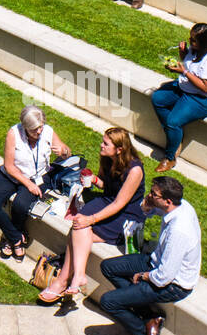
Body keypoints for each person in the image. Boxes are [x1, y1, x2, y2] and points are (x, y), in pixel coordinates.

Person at [37, 128, 146, 302]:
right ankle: (77, 276)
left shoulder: (134, 170)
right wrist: (94, 180)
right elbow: (107, 186)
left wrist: (92, 219)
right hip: (107, 201)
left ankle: (62, 281)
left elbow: (120, 203)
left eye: (105, 143)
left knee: (80, 228)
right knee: (79, 225)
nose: (101, 145)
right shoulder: (107, 158)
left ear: (119, 149)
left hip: (126, 214)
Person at [98, 176, 202, 335]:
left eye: (154, 194)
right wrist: (147, 207)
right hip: (155, 261)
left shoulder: (179, 230)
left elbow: (164, 277)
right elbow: (149, 210)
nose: (149, 195)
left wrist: (143, 276)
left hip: (174, 285)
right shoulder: (179, 205)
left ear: (167, 201)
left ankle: (144, 334)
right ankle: (149, 318)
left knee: (108, 301)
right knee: (107, 267)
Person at [0, 106, 71, 260]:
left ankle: (11, 241)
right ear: (25, 127)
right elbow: (9, 166)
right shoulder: (13, 134)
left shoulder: (48, 131)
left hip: (38, 176)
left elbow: (66, 152)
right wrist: (28, 184)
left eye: (40, 127)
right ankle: (16, 239)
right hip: (13, 175)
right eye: (34, 129)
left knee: (20, 205)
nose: (39, 132)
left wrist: (64, 151)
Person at [150, 23, 207, 171]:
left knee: (173, 121)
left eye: (194, 40)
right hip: (189, 89)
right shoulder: (197, 49)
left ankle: (170, 157)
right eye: (190, 38)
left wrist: (184, 72)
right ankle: (174, 136)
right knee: (158, 98)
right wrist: (183, 55)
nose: (190, 41)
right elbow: (191, 66)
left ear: (205, 41)